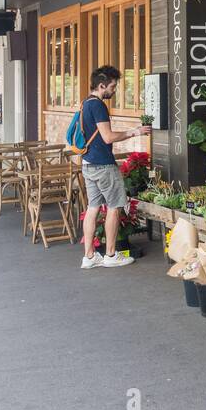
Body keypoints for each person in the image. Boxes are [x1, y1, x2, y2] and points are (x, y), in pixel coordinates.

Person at [78, 65, 151, 269]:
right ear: (102, 85)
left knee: (93, 208)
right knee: (114, 207)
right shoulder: (98, 105)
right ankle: (110, 254)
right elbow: (108, 137)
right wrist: (134, 132)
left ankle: (90, 257)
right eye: (113, 86)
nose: (114, 90)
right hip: (103, 165)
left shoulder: (85, 103)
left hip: (88, 163)